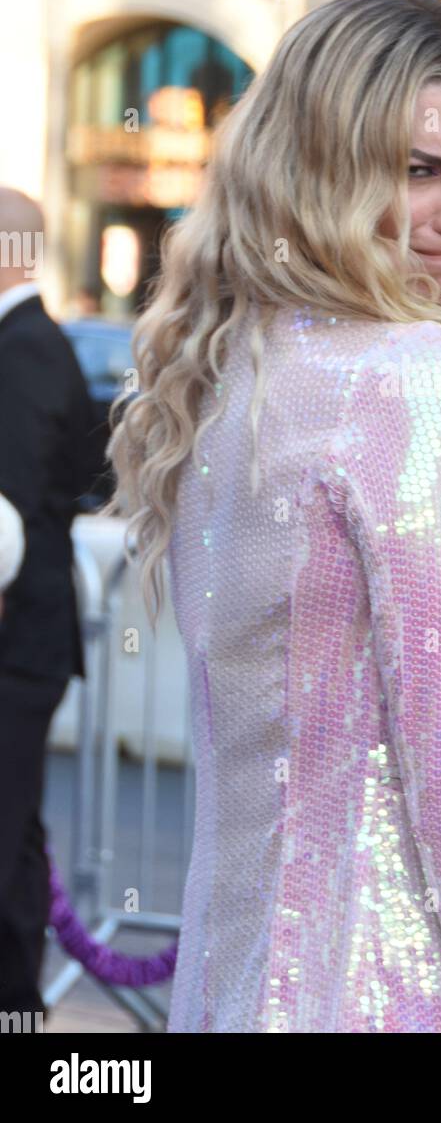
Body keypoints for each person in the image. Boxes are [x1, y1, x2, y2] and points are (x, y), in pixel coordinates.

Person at [105, 0, 441, 1033]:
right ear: (317, 167)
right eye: (419, 171)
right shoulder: (417, 375)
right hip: (387, 998)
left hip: (233, 992)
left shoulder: (224, 373)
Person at [0, 187, 97, 1019]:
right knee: (16, 836)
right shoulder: (34, 344)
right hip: (27, 639)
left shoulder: (22, 349)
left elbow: (7, 512)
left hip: (13, 643)